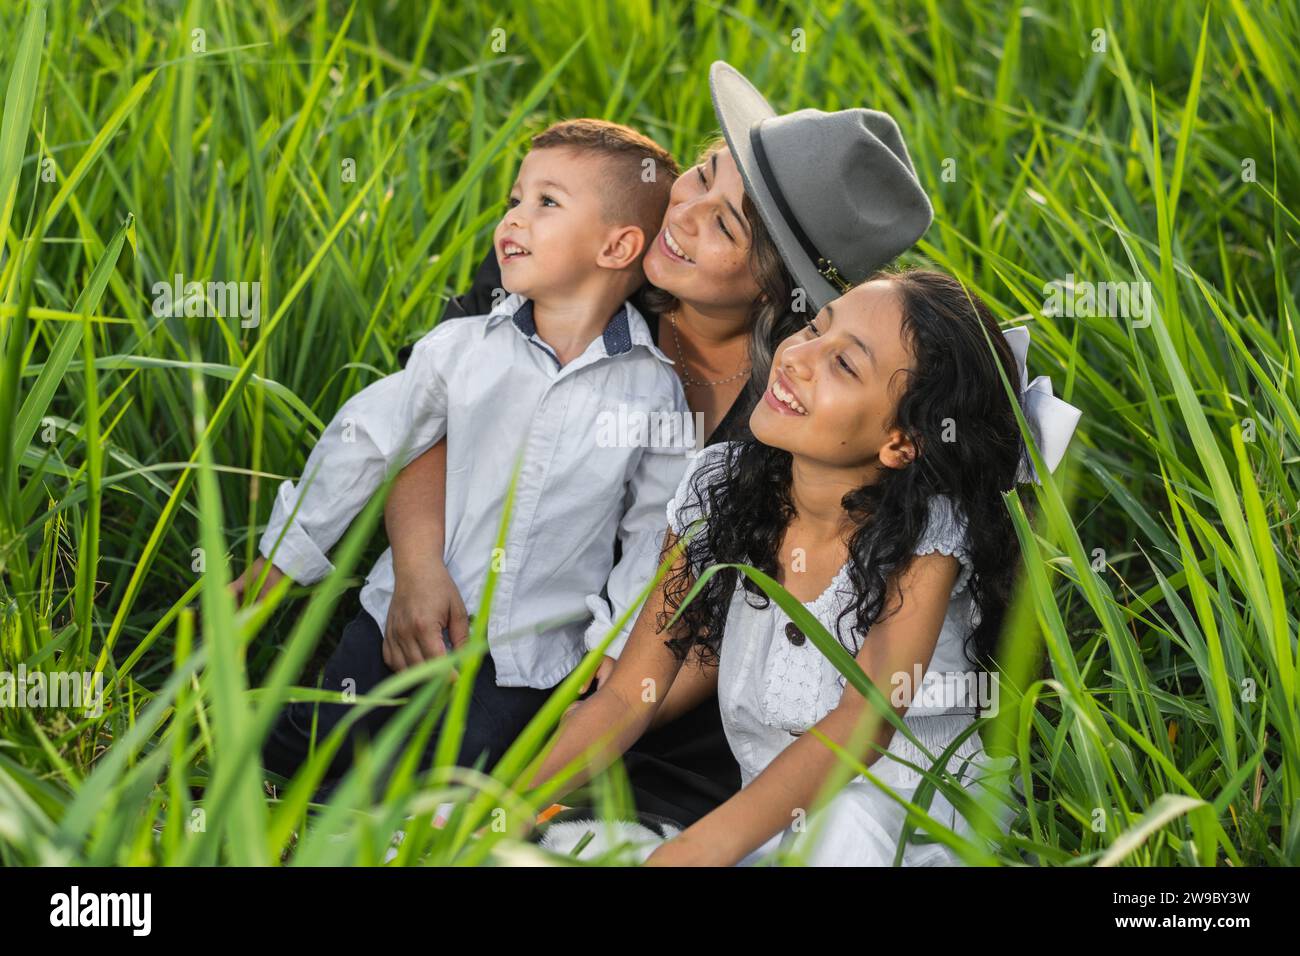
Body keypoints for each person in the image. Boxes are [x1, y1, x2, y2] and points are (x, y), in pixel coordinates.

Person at [380, 61, 937, 826]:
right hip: (470, 594)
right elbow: (425, 415)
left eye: (726, 224)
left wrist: (603, 692)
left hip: (651, 676)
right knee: (366, 744)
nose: (685, 212)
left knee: (534, 798)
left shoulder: (785, 409)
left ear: (779, 289)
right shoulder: (575, 251)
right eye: (703, 174)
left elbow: (725, 608)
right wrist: (417, 568)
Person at [526, 270, 1081, 865]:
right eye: (816, 326)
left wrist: (692, 851)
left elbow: (862, 728)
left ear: (901, 441)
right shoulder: (718, 487)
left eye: (845, 365)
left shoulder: (926, 536)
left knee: (839, 827)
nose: (798, 355)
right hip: (768, 816)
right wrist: (502, 804)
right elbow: (628, 698)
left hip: (904, 817)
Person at [233, 118, 689, 788]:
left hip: (526, 663)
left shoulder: (653, 391)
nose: (513, 219)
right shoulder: (462, 349)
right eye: (514, 199)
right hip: (395, 620)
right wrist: (281, 566)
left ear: (618, 245)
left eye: (546, 203)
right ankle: (234, 777)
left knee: (440, 788)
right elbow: (366, 437)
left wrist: (614, 648)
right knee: (323, 752)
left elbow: (653, 529)